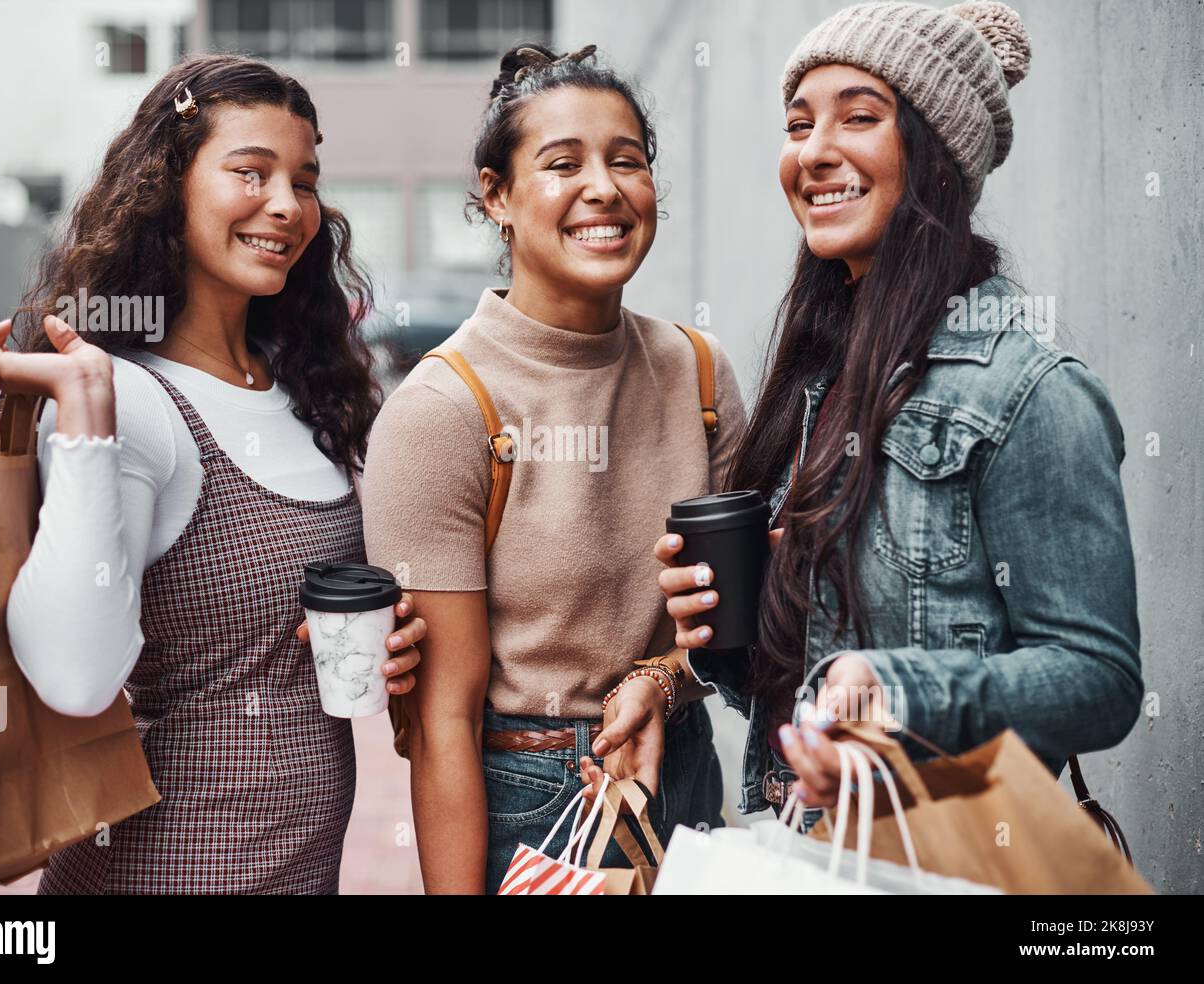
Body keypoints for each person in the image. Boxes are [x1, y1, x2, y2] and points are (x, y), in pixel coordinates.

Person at [645, 0, 1143, 817]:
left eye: (860, 117)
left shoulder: (1028, 391)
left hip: (944, 858)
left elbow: (1101, 683)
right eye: (798, 124)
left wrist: (897, 691)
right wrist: (738, 626)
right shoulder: (818, 384)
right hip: (807, 850)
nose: (814, 151)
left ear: (937, 155)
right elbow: (797, 689)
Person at [0, 54, 425, 893]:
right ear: (168, 186)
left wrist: (388, 644)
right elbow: (73, 678)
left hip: (298, 871)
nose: (287, 206)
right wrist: (88, 416)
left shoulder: (297, 382)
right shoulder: (131, 402)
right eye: (251, 173)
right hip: (158, 871)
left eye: (305, 180)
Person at [360, 43, 746, 893]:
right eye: (561, 163)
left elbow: (733, 625)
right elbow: (442, 724)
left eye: (628, 162)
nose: (603, 189)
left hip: (681, 772)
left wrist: (661, 680)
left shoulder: (701, 373)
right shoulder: (442, 410)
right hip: (534, 801)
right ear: (495, 195)